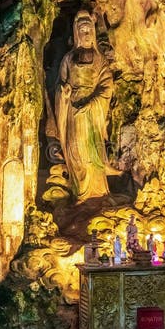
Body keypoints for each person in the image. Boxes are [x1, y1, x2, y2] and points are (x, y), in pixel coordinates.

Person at [55, 11, 118, 202]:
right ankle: (81, 191)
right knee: (77, 153)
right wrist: (64, 91)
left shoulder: (100, 60)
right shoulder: (68, 58)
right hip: (73, 110)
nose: (86, 33)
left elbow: (107, 86)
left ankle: (98, 192)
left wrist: (92, 103)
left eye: (89, 29)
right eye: (82, 30)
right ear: (76, 33)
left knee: (92, 152)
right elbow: (60, 83)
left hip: (92, 110)